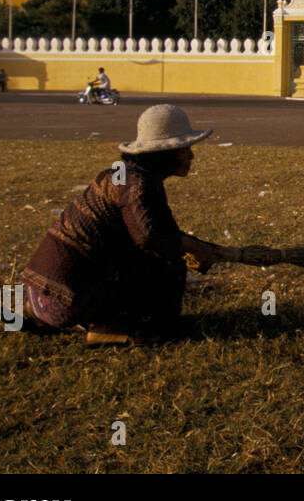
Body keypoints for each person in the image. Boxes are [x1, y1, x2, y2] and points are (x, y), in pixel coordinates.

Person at [21, 104, 220, 345]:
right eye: (184, 148)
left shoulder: (122, 174)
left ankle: (54, 318)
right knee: (169, 265)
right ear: (165, 152)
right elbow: (153, 238)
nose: (191, 156)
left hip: (38, 294)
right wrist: (196, 249)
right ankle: (112, 329)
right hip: (64, 298)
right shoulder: (137, 185)